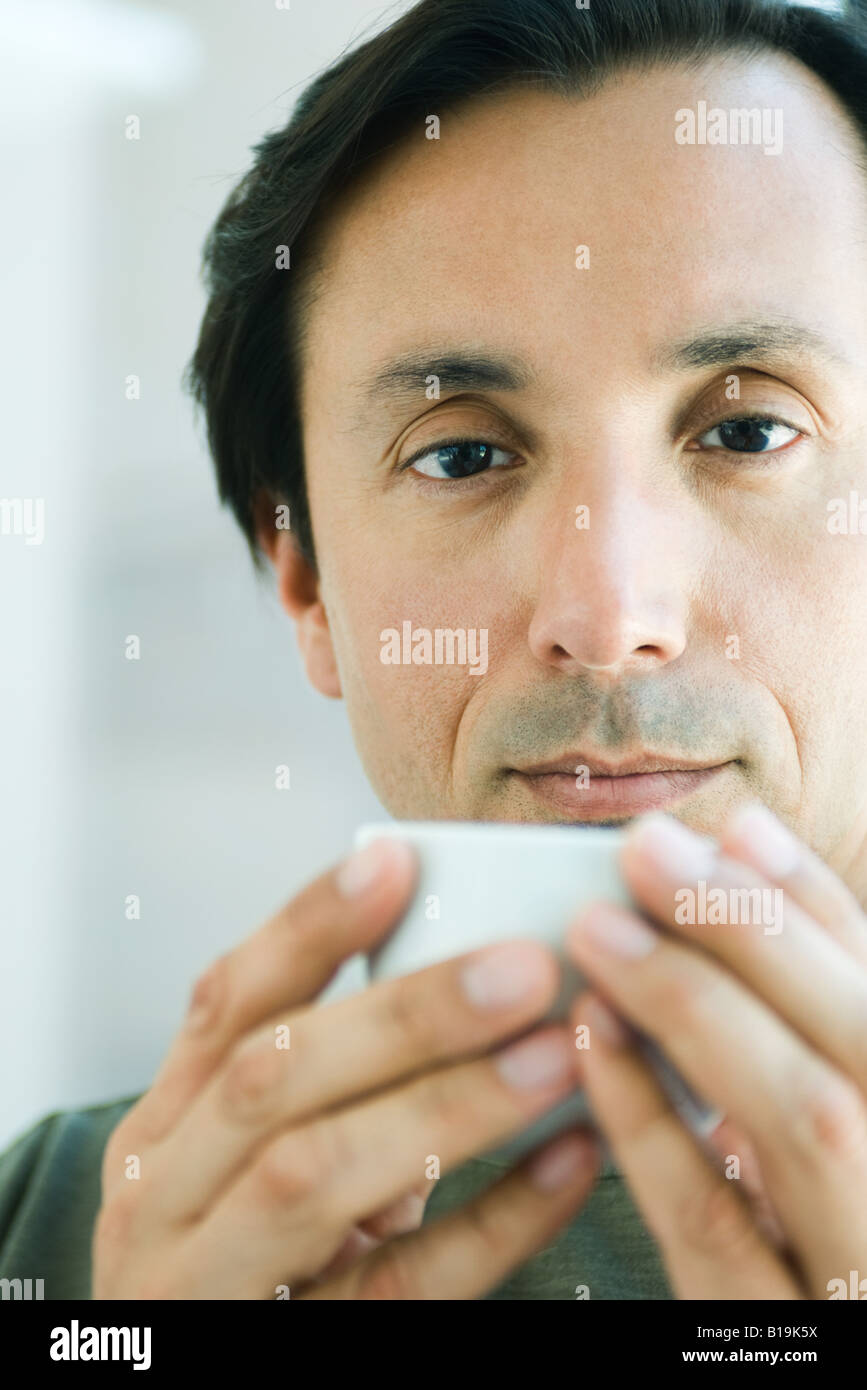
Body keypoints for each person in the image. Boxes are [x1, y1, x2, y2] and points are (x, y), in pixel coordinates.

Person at [3, 0, 867, 1301]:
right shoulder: (62, 1235)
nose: (609, 612)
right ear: (304, 582)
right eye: (462, 452)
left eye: (747, 433)